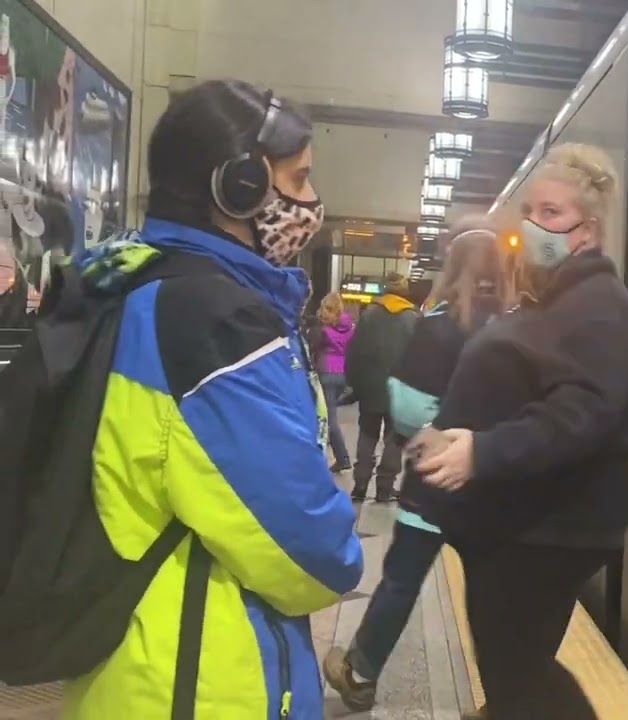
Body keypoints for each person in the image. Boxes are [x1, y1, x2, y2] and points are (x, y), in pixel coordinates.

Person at [61, 79, 363, 719]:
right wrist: (345, 536)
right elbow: (303, 548)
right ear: (241, 186)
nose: (311, 203)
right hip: (197, 680)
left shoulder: (139, 278)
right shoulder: (215, 323)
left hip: (135, 661)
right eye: (299, 179)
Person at [409, 143, 628, 720]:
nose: (536, 225)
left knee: (519, 670)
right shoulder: (559, 297)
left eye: (553, 215)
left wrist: (482, 451)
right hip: (528, 520)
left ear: (586, 232)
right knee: (513, 663)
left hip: (553, 523)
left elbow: (581, 412)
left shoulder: (598, 306)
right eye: (532, 211)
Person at [323, 217, 512, 712]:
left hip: (433, 487)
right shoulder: (516, 326)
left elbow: (405, 408)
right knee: (493, 598)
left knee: (402, 579)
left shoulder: (439, 325)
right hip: (493, 485)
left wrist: (439, 435)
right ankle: (503, 696)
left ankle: (360, 674)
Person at [345, 271, 419, 502]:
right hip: (400, 390)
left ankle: (360, 485)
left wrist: (354, 384)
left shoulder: (370, 316)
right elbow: (421, 357)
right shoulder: (413, 318)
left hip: (370, 388)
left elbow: (354, 352)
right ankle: (384, 488)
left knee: (367, 436)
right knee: (393, 440)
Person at [315, 291, 355, 472]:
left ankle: (342, 457)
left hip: (327, 372)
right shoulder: (350, 328)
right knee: (330, 415)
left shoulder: (323, 331)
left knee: (329, 418)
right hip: (342, 373)